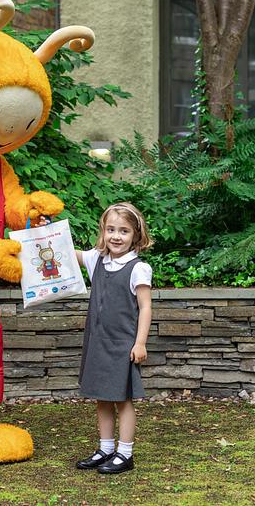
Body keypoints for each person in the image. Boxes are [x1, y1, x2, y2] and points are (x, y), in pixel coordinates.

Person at [74, 202, 153, 474]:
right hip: (98, 342)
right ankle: (106, 448)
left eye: (124, 231)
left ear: (136, 235)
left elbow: (145, 307)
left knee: (123, 399)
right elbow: (65, 254)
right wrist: (42, 232)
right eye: (110, 229)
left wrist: (140, 342)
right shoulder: (97, 259)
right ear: (103, 231)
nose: (116, 236)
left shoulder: (138, 268)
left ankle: (125, 453)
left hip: (123, 344)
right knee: (102, 397)